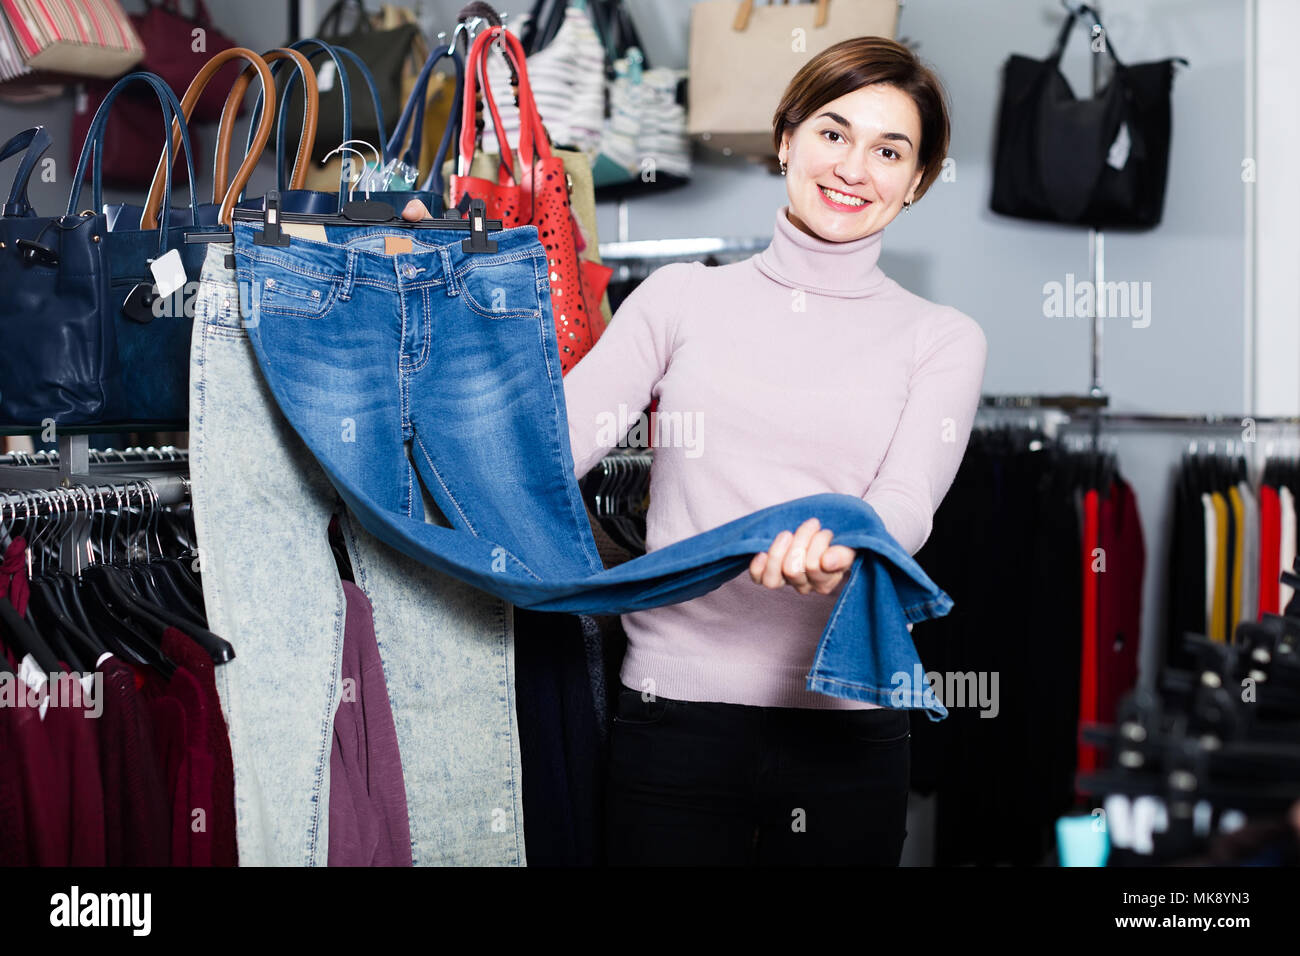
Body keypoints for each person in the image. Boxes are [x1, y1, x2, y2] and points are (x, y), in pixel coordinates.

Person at [401, 36, 988, 866]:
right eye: (833, 132)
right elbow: (535, 456)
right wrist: (440, 289)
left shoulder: (942, 338)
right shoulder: (680, 299)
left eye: (889, 150)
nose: (854, 167)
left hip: (848, 733)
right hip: (674, 725)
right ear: (786, 140)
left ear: (918, 181)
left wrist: (849, 545)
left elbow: (907, 503)